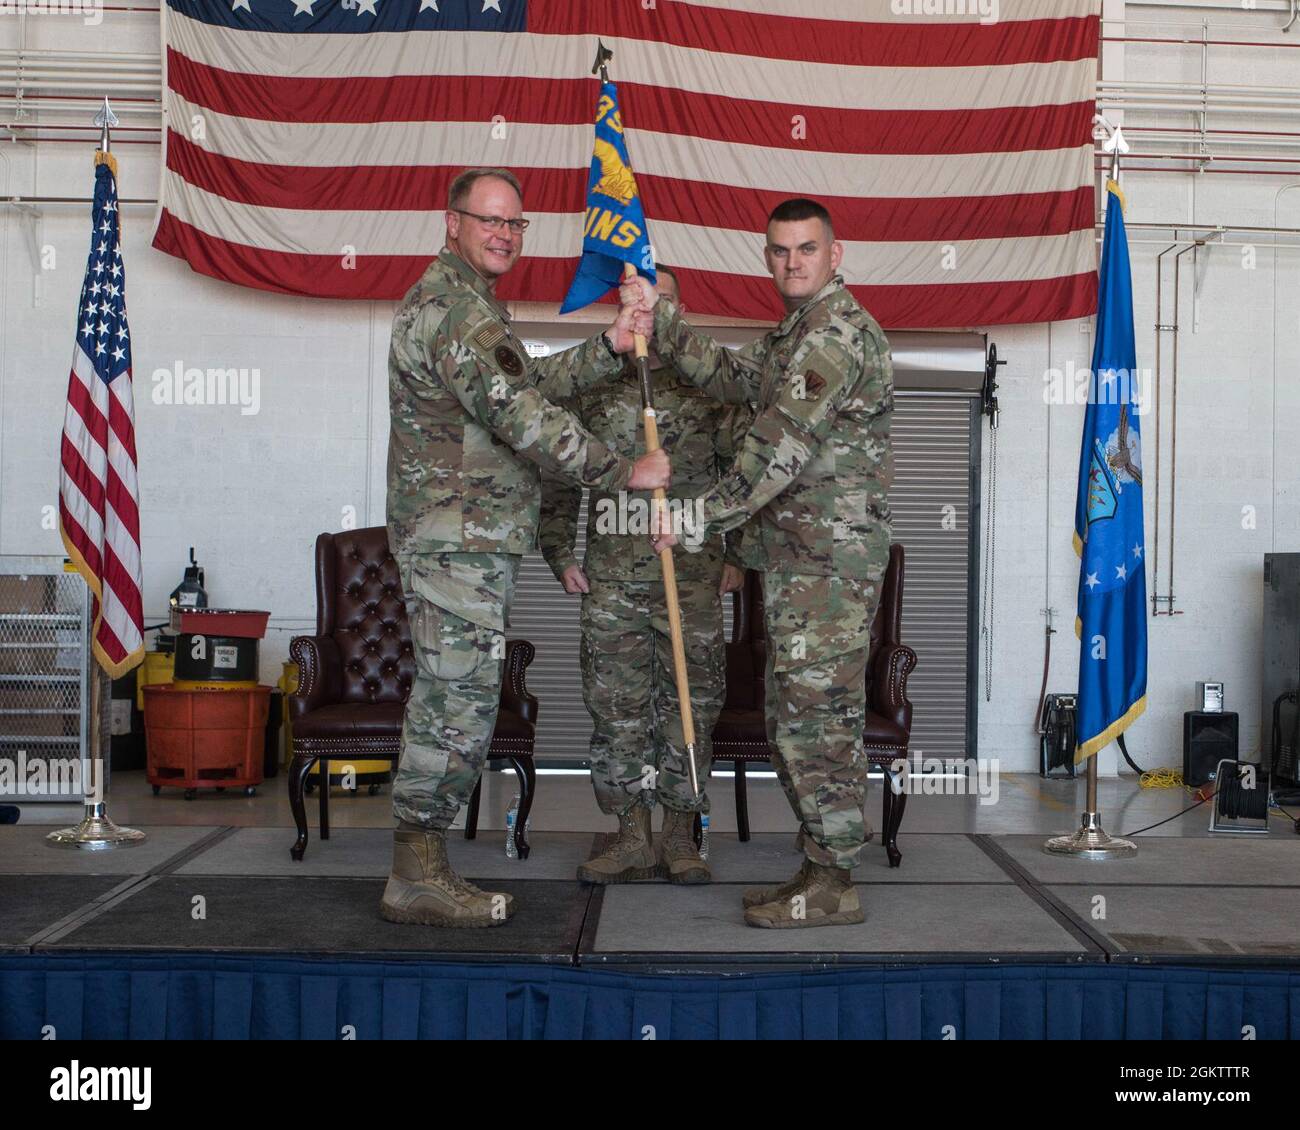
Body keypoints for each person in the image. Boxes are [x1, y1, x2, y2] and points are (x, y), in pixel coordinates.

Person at [381, 167, 670, 928]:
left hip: (466, 540)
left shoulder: (471, 307)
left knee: (461, 700)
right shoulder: (453, 311)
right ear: (452, 222)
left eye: (516, 223)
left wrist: (608, 345)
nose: (505, 234)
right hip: (457, 542)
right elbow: (526, 419)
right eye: (490, 220)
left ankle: (421, 864)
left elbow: (525, 386)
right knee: (455, 705)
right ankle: (415, 872)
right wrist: (624, 471)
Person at [622, 198, 894, 929]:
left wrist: (689, 518)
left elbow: (773, 453)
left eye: (807, 248)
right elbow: (735, 378)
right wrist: (662, 319)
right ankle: (817, 867)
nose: (793, 261)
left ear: (835, 255)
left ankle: (834, 879)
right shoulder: (794, 336)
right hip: (801, 564)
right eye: (779, 250)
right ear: (766, 256)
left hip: (828, 569)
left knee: (819, 721)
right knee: (795, 715)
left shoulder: (834, 337)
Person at [538, 266, 750, 885]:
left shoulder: (709, 389)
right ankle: (630, 833)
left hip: (692, 578)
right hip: (613, 581)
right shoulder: (595, 386)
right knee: (615, 708)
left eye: (662, 306)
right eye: (639, 305)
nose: (649, 316)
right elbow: (559, 473)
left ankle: (682, 836)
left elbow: (740, 479)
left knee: (692, 705)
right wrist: (559, 552)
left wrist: (737, 556)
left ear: (677, 311)